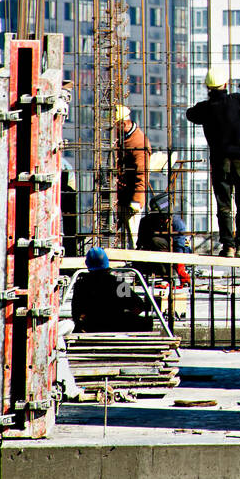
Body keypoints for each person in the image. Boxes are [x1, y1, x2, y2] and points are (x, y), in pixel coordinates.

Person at [186, 68, 240, 257]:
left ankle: (228, 247)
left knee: (224, 205)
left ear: (208, 87)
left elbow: (190, 114)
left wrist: (206, 107)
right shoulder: (238, 101)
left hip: (220, 162)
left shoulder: (205, 108)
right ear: (225, 84)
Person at [71, 247, 148, 333]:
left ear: (87, 263)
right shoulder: (117, 283)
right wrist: (125, 315)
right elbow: (139, 306)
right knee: (144, 322)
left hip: (92, 328)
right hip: (117, 327)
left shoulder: (81, 285)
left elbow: (76, 315)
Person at [135, 191, 191, 286]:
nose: (165, 220)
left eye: (167, 218)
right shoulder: (146, 222)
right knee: (150, 245)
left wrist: (180, 267)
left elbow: (179, 246)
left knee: (155, 241)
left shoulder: (177, 223)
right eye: (162, 218)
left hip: (173, 253)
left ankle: (168, 274)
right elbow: (140, 244)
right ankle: (147, 273)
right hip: (152, 253)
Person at [114, 105, 150, 246]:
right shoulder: (122, 138)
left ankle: (136, 264)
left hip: (130, 199)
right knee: (115, 237)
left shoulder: (138, 142)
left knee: (133, 238)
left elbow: (142, 173)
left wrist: (137, 199)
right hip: (119, 195)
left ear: (122, 124)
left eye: (115, 126)